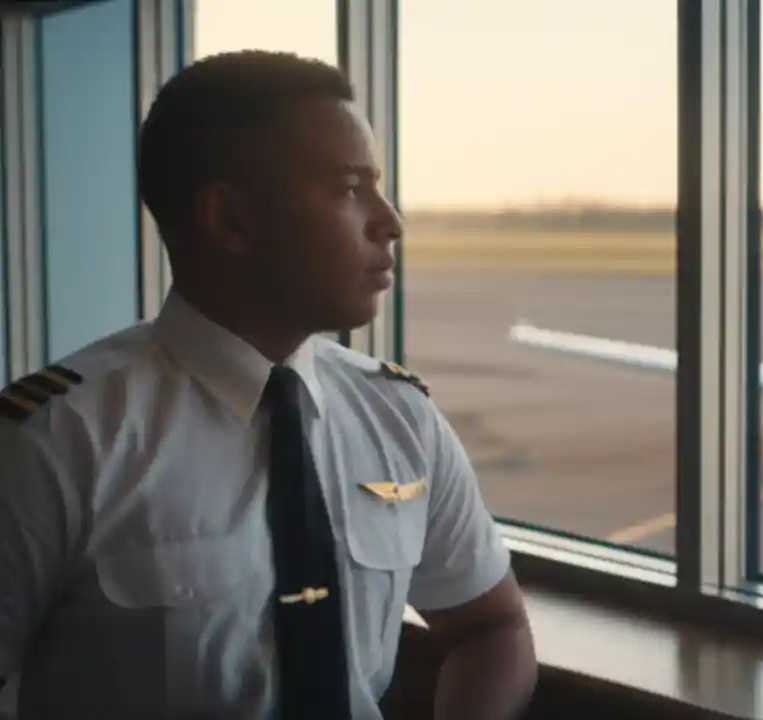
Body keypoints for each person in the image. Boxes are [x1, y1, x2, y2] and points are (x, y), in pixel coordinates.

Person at [0, 50, 536, 719]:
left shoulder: (399, 420)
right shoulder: (55, 444)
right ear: (230, 220)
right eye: (349, 190)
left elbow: (493, 628)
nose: (390, 221)